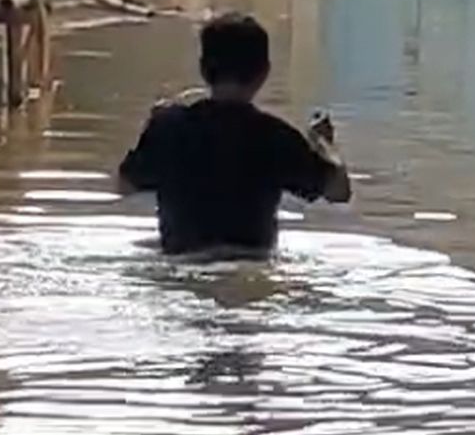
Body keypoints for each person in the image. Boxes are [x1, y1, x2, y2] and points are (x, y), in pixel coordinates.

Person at [117, 13, 351, 255]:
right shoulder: (276, 137)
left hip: (182, 262)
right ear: (264, 73)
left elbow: (125, 185)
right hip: (250, 262)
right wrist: (323, 142)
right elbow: (339, 192)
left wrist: (154, 125)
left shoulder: (169, 128)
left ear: (203, 68)